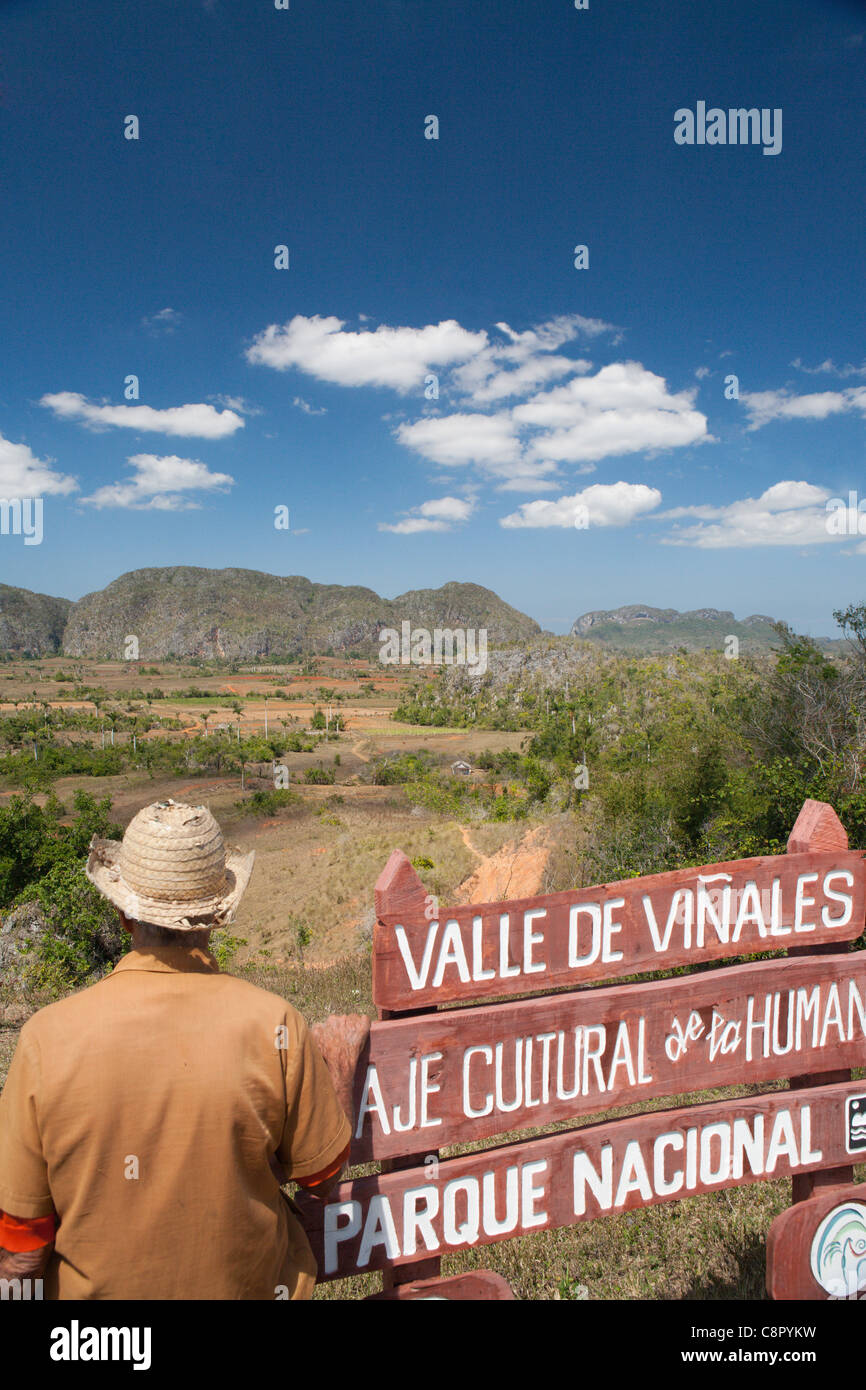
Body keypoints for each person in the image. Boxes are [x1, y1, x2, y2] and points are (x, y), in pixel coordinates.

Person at [0, 798, 369, 1299]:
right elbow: (322, 1178)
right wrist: (343, 1071)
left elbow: (21, 1251)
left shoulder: (45, 1038)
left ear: (123, 912)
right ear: (218, 916)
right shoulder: (275, 1024)